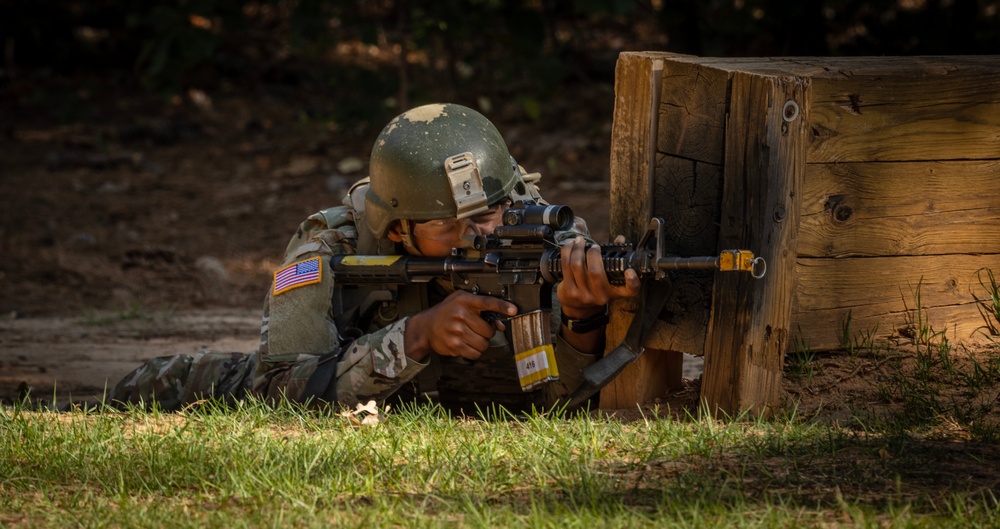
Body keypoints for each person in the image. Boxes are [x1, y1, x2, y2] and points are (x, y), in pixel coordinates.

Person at [110, 103, 640, 414]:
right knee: (179, 385)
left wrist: (581, 321)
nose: (474, 237)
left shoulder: (545, 241)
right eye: (445, 226)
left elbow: (559, 399)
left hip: (479, 398)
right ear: (398, 225)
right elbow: (279, 389)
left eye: (488, 215)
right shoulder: (331, 246)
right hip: (306, 385)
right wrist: (414, 337)